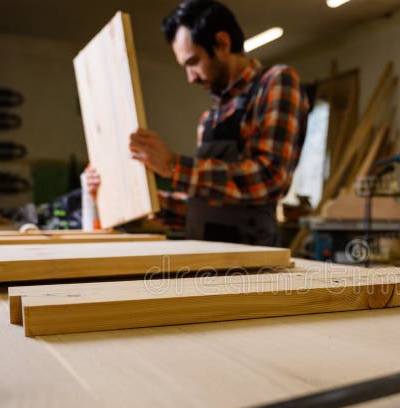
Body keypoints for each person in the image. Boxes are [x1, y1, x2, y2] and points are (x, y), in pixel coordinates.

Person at [84, 0, 309, 246]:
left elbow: (270, 179)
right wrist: (126, 198)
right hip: (203, 256)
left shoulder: (276, 82)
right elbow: (198, 206)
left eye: (193, 62)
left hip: (250, 263)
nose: (190, 77)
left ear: (222, 43)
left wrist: (173, 166)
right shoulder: (209, 119)